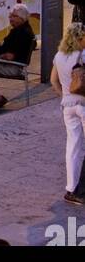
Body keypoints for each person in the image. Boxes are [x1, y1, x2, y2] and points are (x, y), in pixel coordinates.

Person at [50, 22, 85, 205]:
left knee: (73, 147)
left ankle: (71, 187)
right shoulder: (83, 54)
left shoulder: (59, 56)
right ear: (79, 38)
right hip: (83, 104)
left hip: (68, 104)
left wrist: (63, 95)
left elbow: (52, 81)